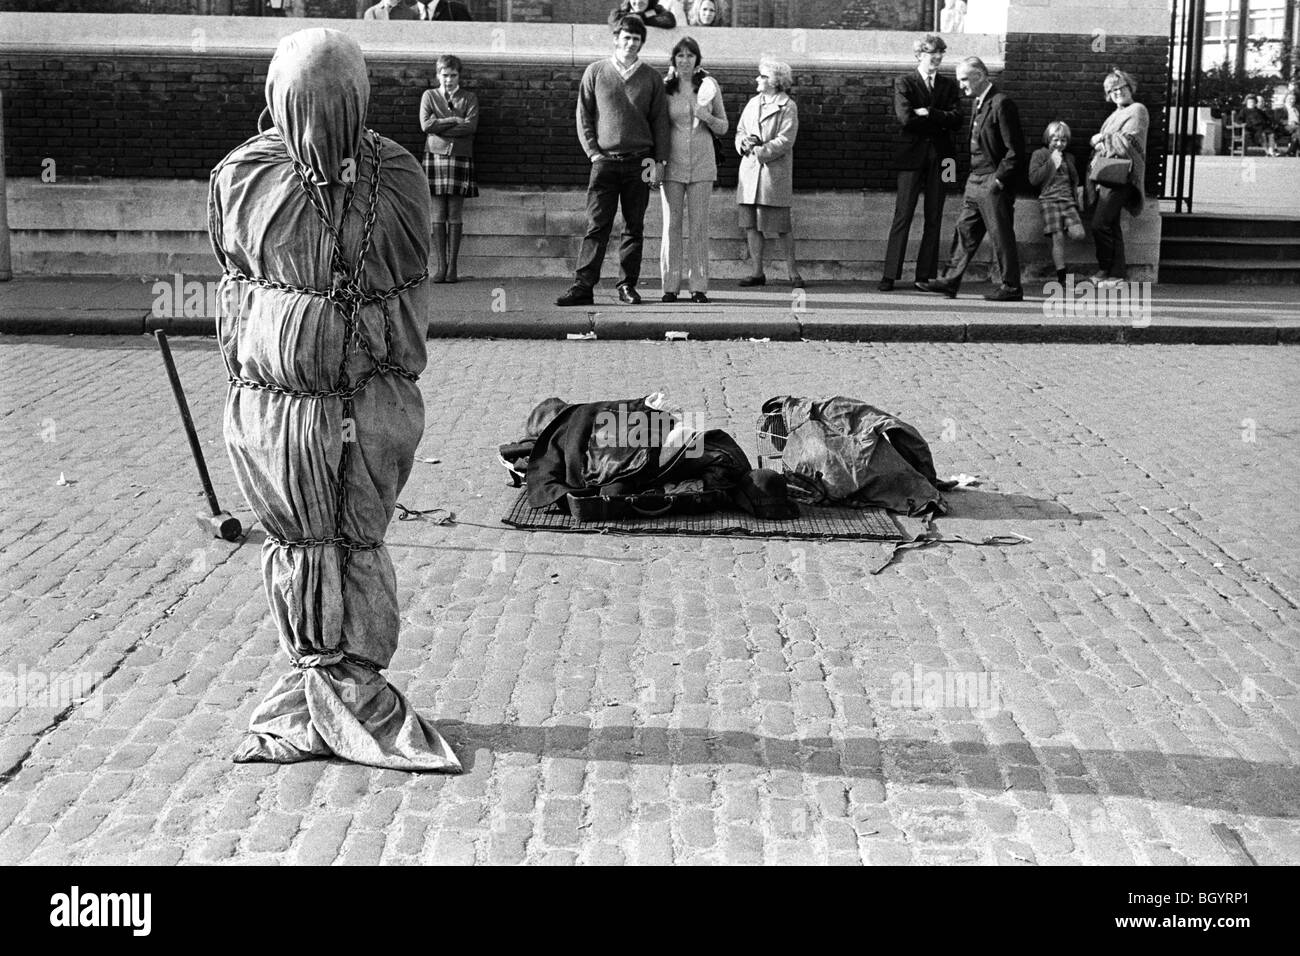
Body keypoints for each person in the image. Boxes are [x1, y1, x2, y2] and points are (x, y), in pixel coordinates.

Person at [208, 28, 460, 771]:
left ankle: (345, 672)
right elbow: (237, 279)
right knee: (315, 540)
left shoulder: (385, 178)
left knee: (345, 535)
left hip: (356, 400)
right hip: (289, 405)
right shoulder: (252, 177)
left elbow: (405, 280)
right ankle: (328, 670)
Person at [557, 16, 670, 307]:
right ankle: (583, 286)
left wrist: (660, 162)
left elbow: (660, 122)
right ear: (616, 38)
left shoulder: (652, 77)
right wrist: (594, 152)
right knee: (597, 225)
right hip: (604, 160)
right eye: (627, 37)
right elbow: (584, 116)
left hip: (641, 161)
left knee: (634, 226)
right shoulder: (595, 72)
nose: (631, 43)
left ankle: (627, 285)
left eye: (636, 39)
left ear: (641, 43)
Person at [918, 56, 1024, 301]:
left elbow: (1015, 149)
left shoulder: (1001, 104)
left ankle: (1011, 287)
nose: (961, 85)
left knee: (1000, 234)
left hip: (991, 180)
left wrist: (999, 180)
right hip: (975, 180)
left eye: (964, 79)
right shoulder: (980, 102)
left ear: (981, 76)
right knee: (964, 231)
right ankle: (950, 281)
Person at [879, 33, 962, 292]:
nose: (937, 57)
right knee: (903, 214)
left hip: (946, 160)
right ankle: (889, 274)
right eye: (931, 52)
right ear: (919, 55)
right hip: (910, 157)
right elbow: (906, 119)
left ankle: (924, 276)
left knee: (935, 215)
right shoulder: (905, 82)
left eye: (940, 52)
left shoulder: (949, 85)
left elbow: (958, 120)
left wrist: (929, 113)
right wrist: (941, 119)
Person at [659, 36, 729, 303]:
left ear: (697, 60)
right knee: (671, 225)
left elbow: (723, 126)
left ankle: (698, 287)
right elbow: (656, 128)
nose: (685, 60)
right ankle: (670, 286)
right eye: (680, 56)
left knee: (699, 225)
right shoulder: (664, 89)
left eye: (690, 56)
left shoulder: (710, 87)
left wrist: (707, 116)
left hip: (702, 164)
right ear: (673, 60)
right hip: (672, 165)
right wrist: (652, 167)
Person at [735, 56, 803, 288]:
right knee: (751, 224)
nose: (758, 79)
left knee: (781, 225)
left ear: (775, 81)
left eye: (763, 76)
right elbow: (740, 130)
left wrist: (760, 150)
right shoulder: (753, 103)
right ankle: (757, 272)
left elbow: (786, 140)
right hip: (750, 172)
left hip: (773, 174)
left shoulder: (788, 106)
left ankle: (793, 272)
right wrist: (743, 143)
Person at [420, 53, 480, 282]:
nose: (449, 80)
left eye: (453, 75)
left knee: (454, 213)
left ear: (459, 76)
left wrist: (440, 126)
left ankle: (453, 266)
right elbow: (426, 125)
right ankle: (440, 267)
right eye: (445, 75)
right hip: (434, 157)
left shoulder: (469, 98)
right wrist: (454, 121)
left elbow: (471, 127)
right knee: (437, 213)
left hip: (459, 157)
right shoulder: (429, 96)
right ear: (438, 75)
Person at [1087, 68, 1148, 285]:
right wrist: (1100, 142)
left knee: (1099, 224)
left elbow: (1129, 142)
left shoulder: (1137, 110)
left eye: (1121, 87)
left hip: (1123, 175)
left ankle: (1107, 270)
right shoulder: (1114, 114)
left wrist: (1101, 138)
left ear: (1130, 87)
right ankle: (1115, 274)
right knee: (1111, 224)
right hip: (1108, 174)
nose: (1118, 92)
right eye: (1113, 90)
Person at [1028, 121, 1085, 285]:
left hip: (1067, 201)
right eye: (1055, 140)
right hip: (1049, 200)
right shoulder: (1040, 154)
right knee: (1058, 238)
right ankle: (1062, 277)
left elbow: (1075, 180)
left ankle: (1063, 225)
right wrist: (1052, 162)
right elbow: (1033, 179)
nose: (1059, 144)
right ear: (1048, 138)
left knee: (1078, 233)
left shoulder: (1070, 157)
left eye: (1063, 140)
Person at [608, 0, 677, 29]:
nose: (638, 2)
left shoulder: (657, 10)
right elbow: (614, 21)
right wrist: (644, 16)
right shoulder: (618, 13)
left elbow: (669, 20)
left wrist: (641, 17)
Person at [1282, 91, 1299, 157]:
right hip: (1286, 127)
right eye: (1290, 99)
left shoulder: (1297, 108)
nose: (1292, 100)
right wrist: (1288, 122)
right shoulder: (1280, 109)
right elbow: (1279, 120)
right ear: (1285, 99)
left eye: (1293, 99)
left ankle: (1290, 152)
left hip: (1297, 128)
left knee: (1296, 136)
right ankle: (1291, 151)